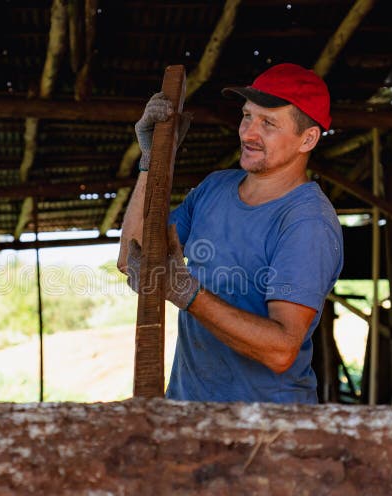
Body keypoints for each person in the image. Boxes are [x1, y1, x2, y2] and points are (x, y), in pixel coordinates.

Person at [118, 63, 343, 404]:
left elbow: (281, 351)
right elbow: (133, 257)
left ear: (307, 138)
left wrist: (188, 293)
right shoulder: (215, 189)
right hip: (188, 412)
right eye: (247, 116)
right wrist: (152, 159)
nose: (249, 133)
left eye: (268, 123)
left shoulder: (307, 223)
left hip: (266, 427)